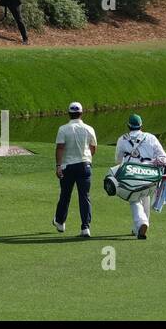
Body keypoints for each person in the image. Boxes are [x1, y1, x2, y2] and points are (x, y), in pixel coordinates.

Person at [115, 114, 166, 239]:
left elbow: (118, 161)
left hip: (131, 175)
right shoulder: (151, 138)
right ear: (141, 125)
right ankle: (138, 228)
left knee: (134, 199)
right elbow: (164, 159)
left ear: (128, 126)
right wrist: (149, 163)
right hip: (150, 175)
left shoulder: (122, 139)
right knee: (145, 195)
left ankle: (141, 223)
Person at [53, 101, 97, 237]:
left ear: (69, 114)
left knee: (65, 195)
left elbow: (60, 148)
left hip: (68, 167)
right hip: (84, 166)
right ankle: (85, 228)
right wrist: (87, 158)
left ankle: (60, 222)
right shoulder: (89, 129)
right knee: (84, 197)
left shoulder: (63, 129)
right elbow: (93, 147)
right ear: (81, 113)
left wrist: (58, 166)